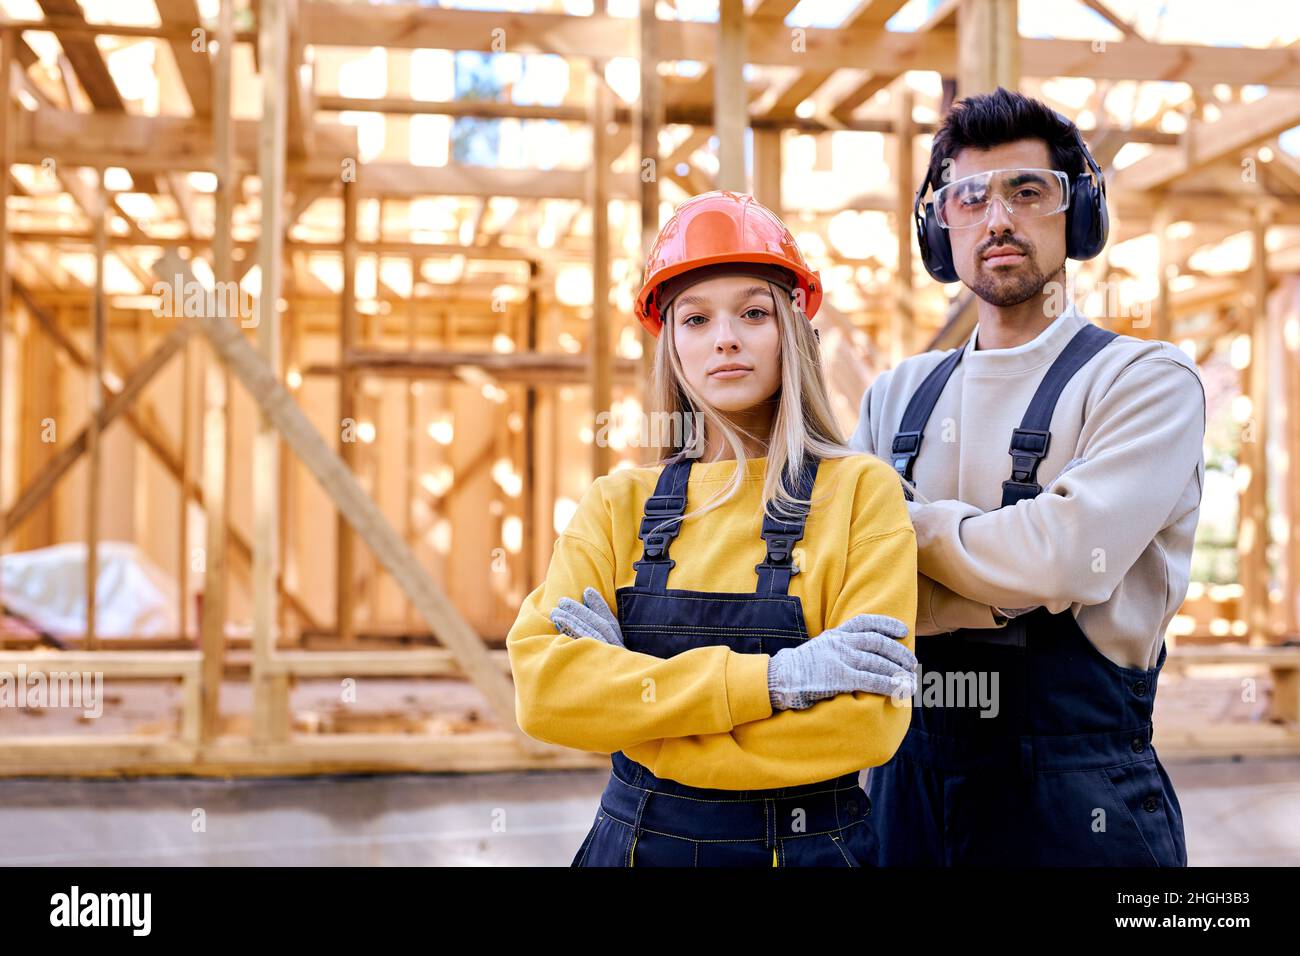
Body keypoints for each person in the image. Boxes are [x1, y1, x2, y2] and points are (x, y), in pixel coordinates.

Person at [506, 190, 919, 867]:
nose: (724, 336)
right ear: (671, 344)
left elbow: (864, 726)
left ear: (792, 332)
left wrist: (634, 710)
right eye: (696, 319)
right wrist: (781, 681)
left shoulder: (859, 495)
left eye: (753, 312)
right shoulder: (618, 506)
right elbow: (545, 693)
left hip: (807, 849)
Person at [850, 88, 1205, 866]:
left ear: (1077, 216)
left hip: (1077, 797)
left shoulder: (1144, 379)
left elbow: (1066, 557)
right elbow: (849, 581)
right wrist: (998, 567)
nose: (997, 219)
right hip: (905, 786)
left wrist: (902, 530)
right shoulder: (897, 394)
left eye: (1027, 191)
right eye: (968, 198)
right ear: (941, 229)